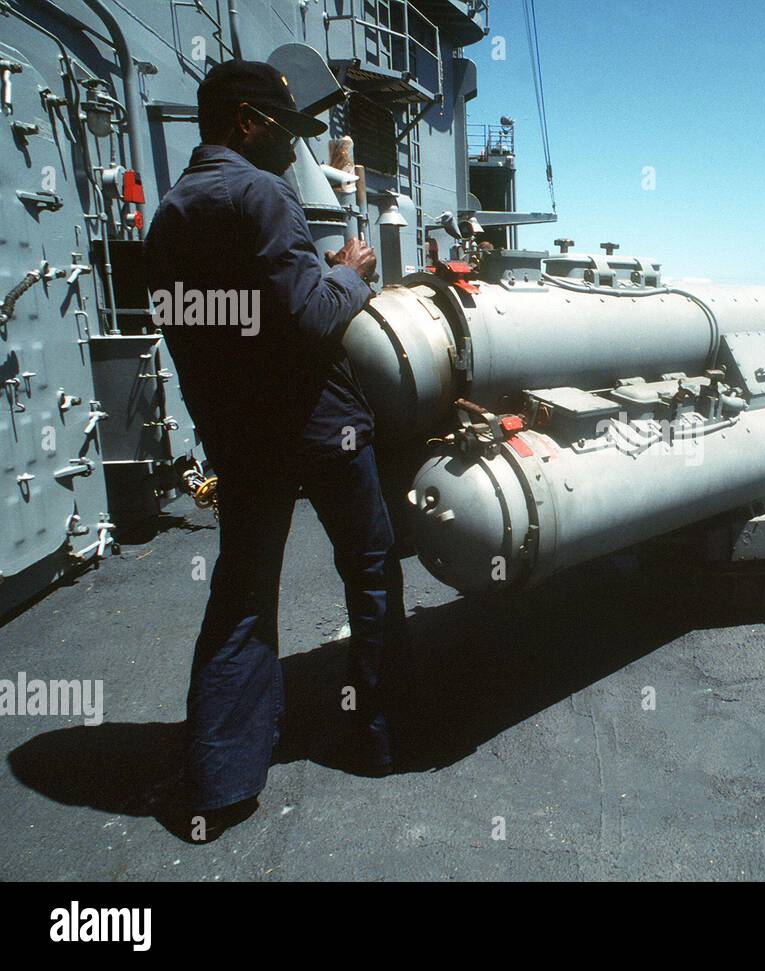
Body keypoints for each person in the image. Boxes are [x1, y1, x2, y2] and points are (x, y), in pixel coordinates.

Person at [144, 59, 405, 837]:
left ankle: (220, 779)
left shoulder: (168, 217)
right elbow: (312, 319)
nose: (294, 150)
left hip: (242, 441)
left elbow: (206, 333)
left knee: (242, 599)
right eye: (285, 132)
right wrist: (350, 273)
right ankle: (381, 734)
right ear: (246, 121)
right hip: (322, 427)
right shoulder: (262, 194)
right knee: (370, 567)